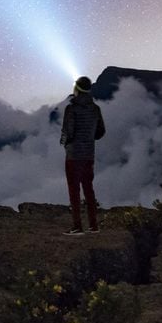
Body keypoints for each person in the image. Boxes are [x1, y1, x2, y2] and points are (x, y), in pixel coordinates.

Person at [60, 75, 106, 235]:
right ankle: (94, 226)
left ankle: (77, 226)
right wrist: (88, 139)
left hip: (73, 156)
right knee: (89, 189)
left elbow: (68, 132)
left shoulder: (71, 109)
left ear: (77, 88)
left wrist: (64, 142)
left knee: (74, 190)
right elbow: (101, 132)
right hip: (88, 155)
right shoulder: (95, 109)